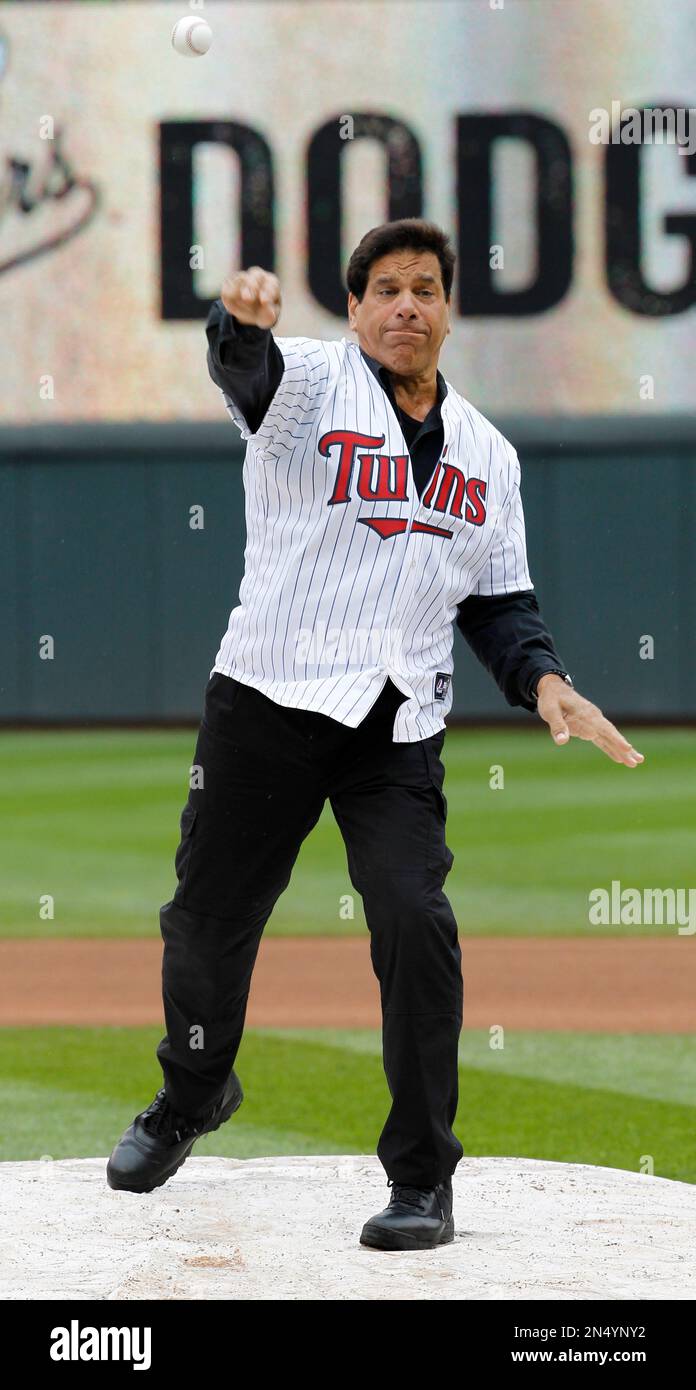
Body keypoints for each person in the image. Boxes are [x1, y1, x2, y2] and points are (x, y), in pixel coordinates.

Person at [107, 219, 644, 1251]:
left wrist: (544, 680)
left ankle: (421, 1180)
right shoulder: (306, 382)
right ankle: (194, 1091)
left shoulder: (488, 455)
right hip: (266, 698)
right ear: (354, 308)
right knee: (206, 926)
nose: (407, 305)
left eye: (427, 288)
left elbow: (500, 603)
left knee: (413, 919)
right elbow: (242, 366)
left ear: (448, 309)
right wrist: (238, 321)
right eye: (386, 288)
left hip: (394, 723)